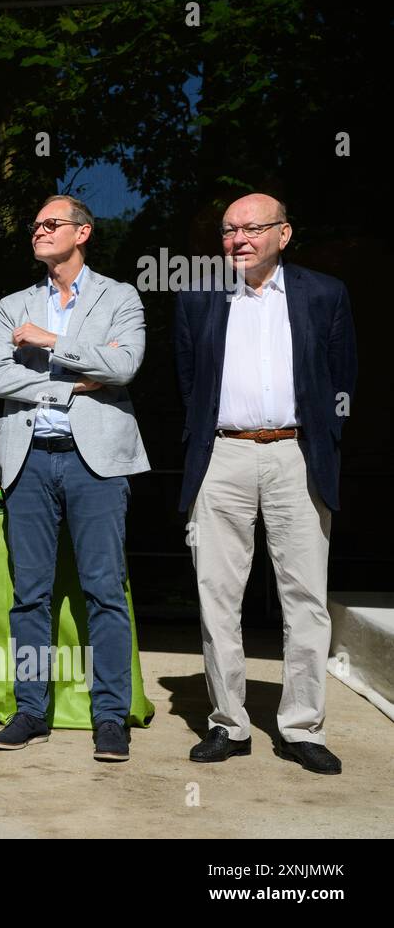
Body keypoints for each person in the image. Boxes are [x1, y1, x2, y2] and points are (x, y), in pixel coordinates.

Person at [175, 192, 357, 775]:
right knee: (217, 595)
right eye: (229, 230)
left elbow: (342, 379)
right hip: (222, 456)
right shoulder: (198, 297)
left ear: (284, 233)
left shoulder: (325, 293)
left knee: (304, 596)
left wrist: (321, 441)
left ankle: (302, 726)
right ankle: (230, 723)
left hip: (296, 455)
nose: (238, 239)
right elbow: (188, 384)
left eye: (252, 228)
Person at [0, 194, 149, 762]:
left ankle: (110, 716)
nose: (38, 232)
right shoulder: (12, 305)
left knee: (105, 591)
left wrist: (51, 341)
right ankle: (31, 711)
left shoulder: (119, 295)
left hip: (95, 461)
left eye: (50, 224)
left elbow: (124, 365)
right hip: (28, 459)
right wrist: (71, 384)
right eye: (34, 225)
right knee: (29, 595)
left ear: (83, 233)